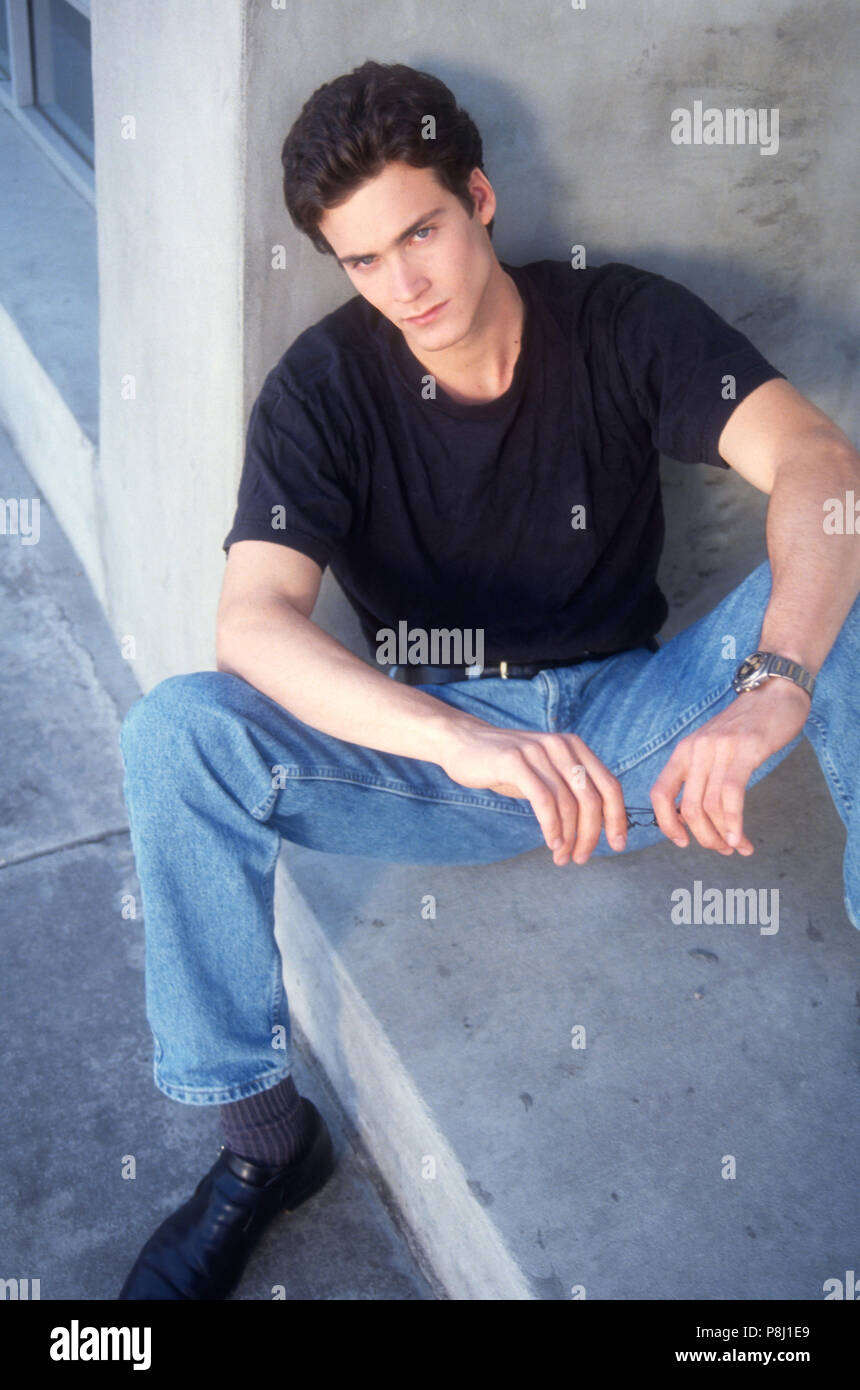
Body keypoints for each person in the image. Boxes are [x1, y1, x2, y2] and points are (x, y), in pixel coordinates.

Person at [116, 60, 860, 1300]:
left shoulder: (616, 319)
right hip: (439, 755)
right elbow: (252, 625)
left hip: (636, 728)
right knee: (174, 733)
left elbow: (820, 466)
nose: (404, 285)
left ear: (479, 197)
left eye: (421, 232)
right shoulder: (324, 386)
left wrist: (772, 680)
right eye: (363, 261)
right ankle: (260, 1150)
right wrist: (460, 742)